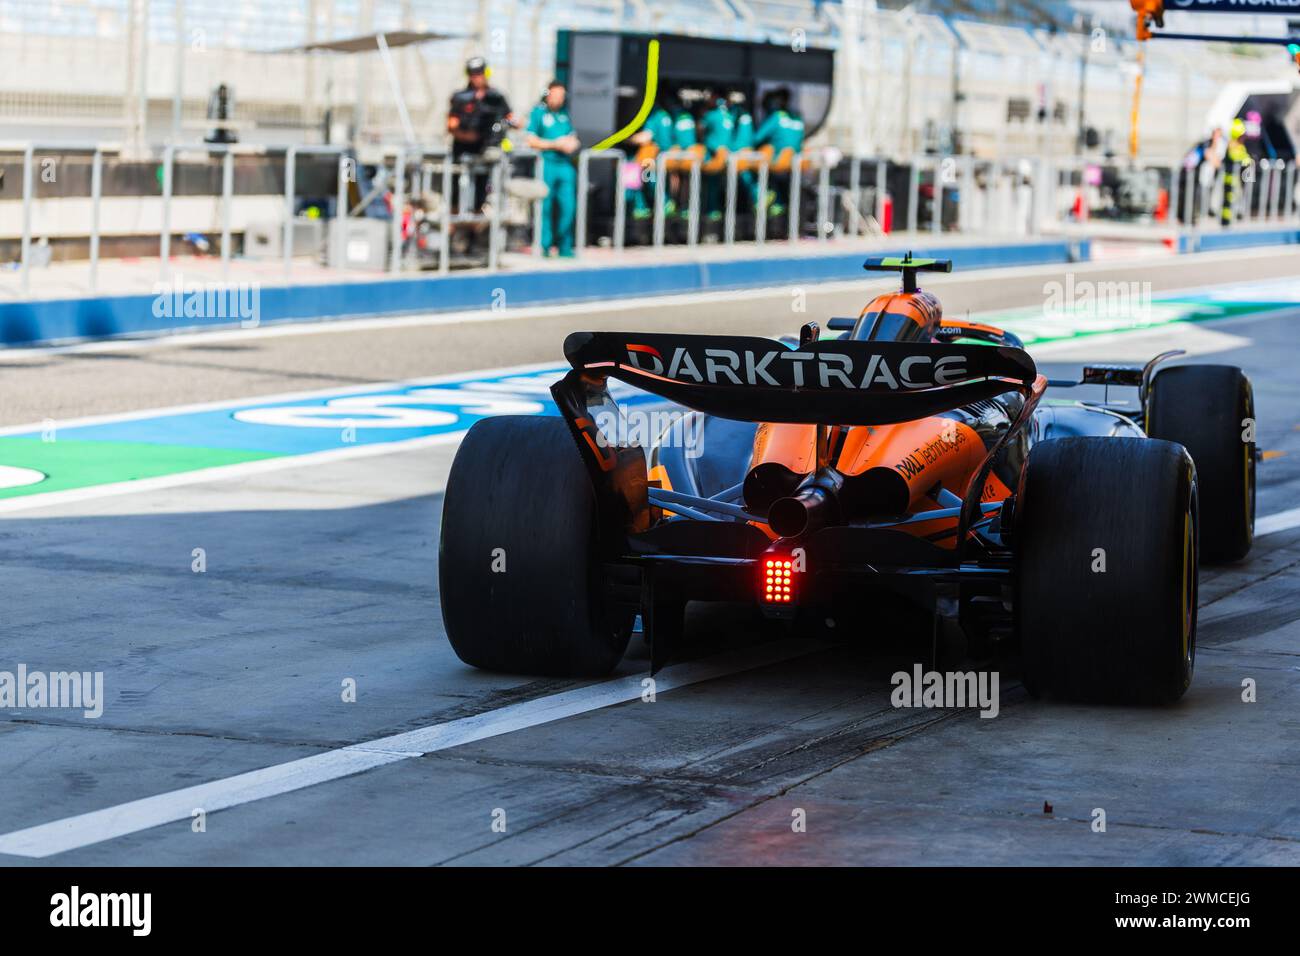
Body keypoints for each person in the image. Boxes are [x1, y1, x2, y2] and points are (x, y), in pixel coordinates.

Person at [446, 56, 515, 211]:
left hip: (485, 152)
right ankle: (456, 230)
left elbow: (510, 118)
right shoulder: (461, 98)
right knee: (457, 196)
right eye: (473, 74)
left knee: (480, 196)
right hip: (462, 152)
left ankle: (475, 230)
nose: (477, 78)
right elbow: (452, 125)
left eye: (480, 73)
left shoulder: (496, 97)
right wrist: (467, 135)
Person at [527, 80, 581, 257]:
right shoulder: (539, 113)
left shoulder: (564, 115)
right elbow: (531, 140)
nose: (558, 99)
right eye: (555, 95)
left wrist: (572, 144)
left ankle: (564, 244)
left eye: (561, 96)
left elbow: (573, 137)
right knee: (545, 207)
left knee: (568, 206)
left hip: (564, 165)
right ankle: (545, 245)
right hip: (547, 163)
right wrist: (554, 144)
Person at [755, 87, 805, 217]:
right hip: (793, 167)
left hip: (776, 165)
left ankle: (762, 199)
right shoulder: (797, 118)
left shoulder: (776, 117)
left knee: (749, 173)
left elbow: (757, 137)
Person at [629, 96, 676, 220]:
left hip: (654, 158)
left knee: (647, 180)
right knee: (657, 181)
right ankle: (664, 204)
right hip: (666, 156)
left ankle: (644, 207)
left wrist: (627, 139)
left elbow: (645, 137)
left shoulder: (654, 116)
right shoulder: (665, 115)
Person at [699, 90, 735, 222]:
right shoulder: (730, 116)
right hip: (728, 156)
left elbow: (700, 130)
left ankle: (710, 211)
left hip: (714, 157)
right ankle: (715, 211)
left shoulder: (711, 115)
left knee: (710, 184)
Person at [1222, 118, 1252, 228]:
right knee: (1228, 201)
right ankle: (1225, 222)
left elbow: (1246, 158)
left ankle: (1232, 219)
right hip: (1229, 178)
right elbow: (1237, 157)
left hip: (1238, 179)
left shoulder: (1240, 146)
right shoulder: (1231, 145)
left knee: (1235, 200)